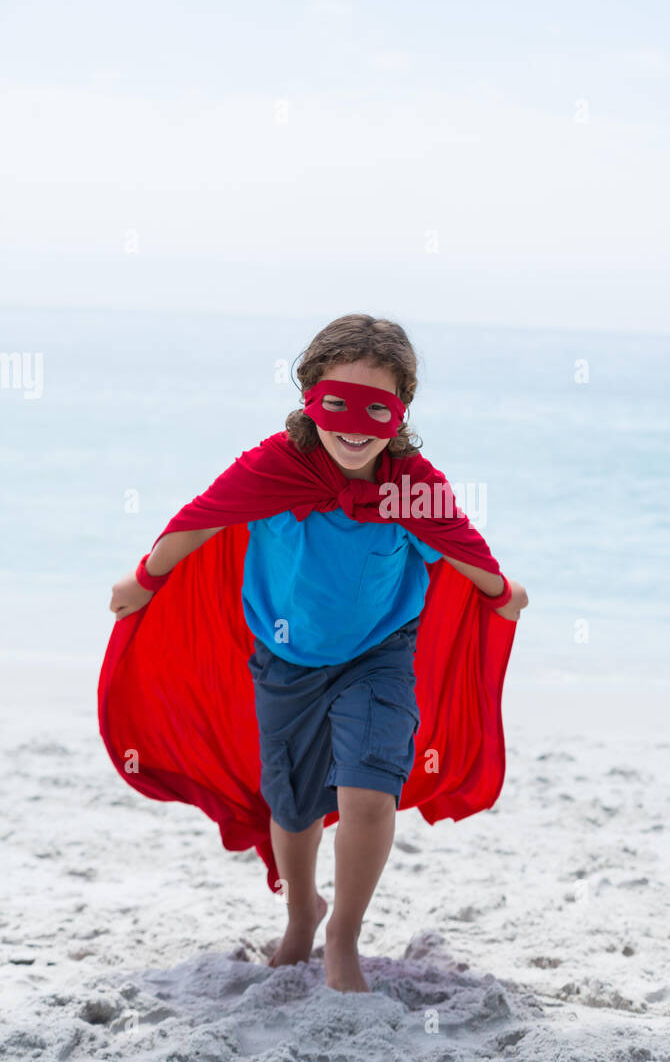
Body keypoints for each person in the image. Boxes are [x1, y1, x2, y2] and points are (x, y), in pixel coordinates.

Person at [107, 314, 527, 993]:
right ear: (308, 396)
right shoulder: (275, 466)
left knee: (369, 791)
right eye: (337, 403)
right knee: (295, 804)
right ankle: (304, 910)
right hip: (287, 657)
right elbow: (202, 518)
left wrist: (500, 590)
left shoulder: (411, 485)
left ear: (402, 411)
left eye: (377, 409)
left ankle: (344, 937)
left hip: (379, 654)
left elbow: (458, 543)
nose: (354, 425)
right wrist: (146, 580)